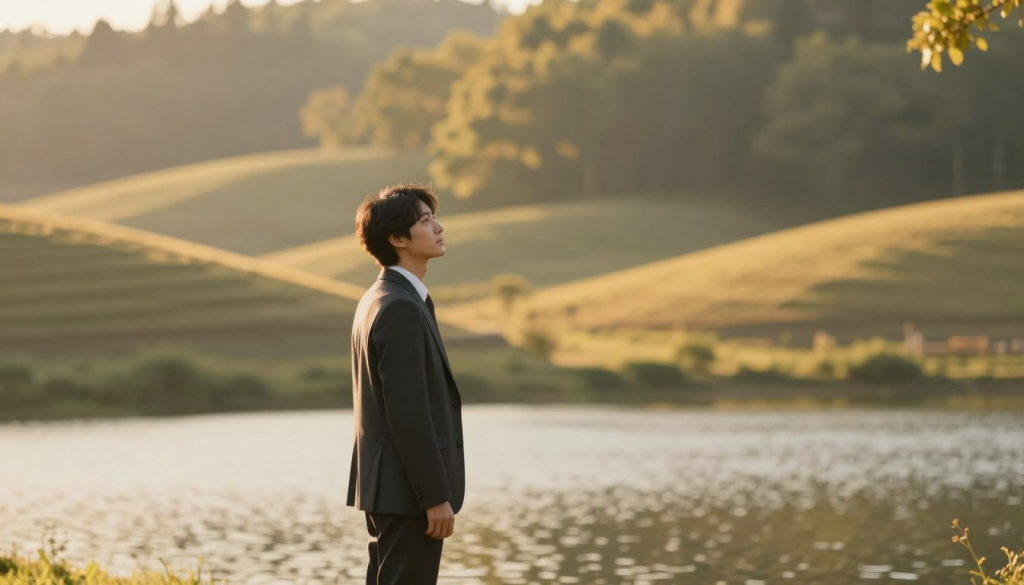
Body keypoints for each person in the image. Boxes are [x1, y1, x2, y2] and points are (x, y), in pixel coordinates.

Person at [347, 184, 465, 585]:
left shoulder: (379, 297)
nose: (439, 227)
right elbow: (407, 411)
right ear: (397, 238)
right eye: (425, 221)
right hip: (408, 493)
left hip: (390, 488)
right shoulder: (399, 306)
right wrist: (434, 496)